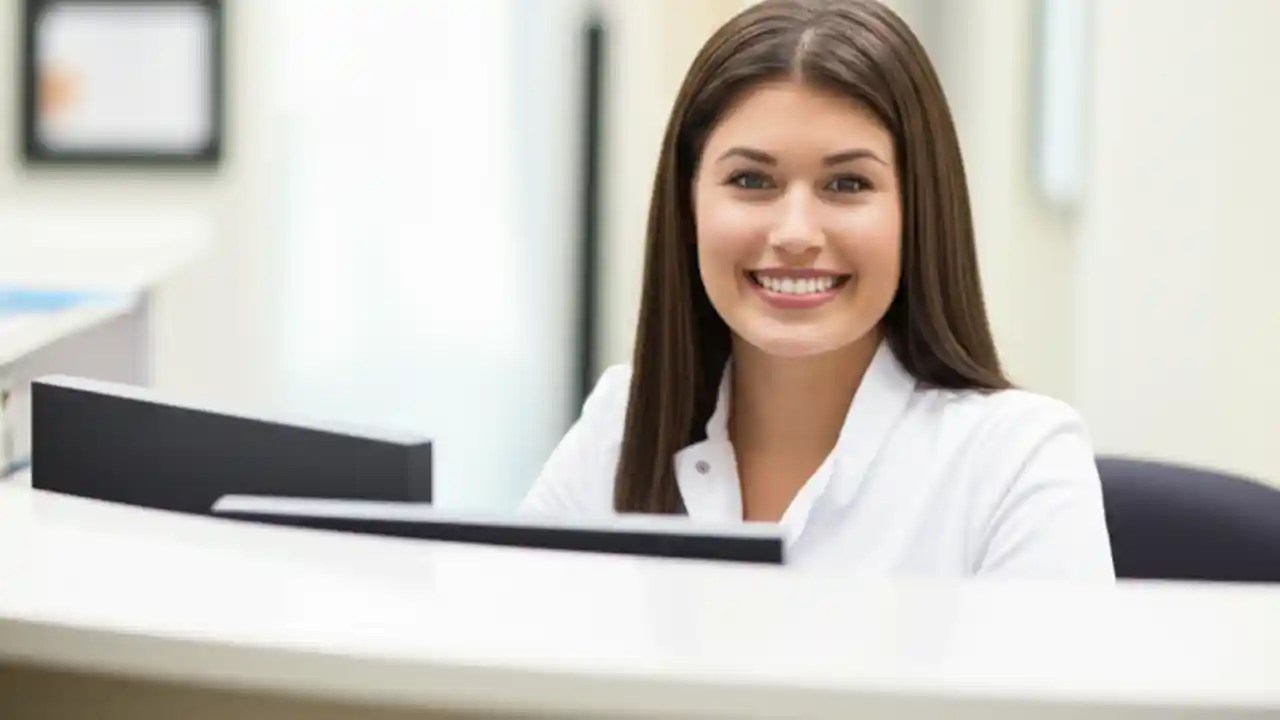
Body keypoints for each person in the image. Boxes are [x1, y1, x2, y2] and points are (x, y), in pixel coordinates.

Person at [522, 0, 1114, 580]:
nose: (796, 234)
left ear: (918, 211)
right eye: (751, 180)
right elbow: (503, 656)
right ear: (688, 203)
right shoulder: (621, 425)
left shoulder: (1017, 462)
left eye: (847, 183)